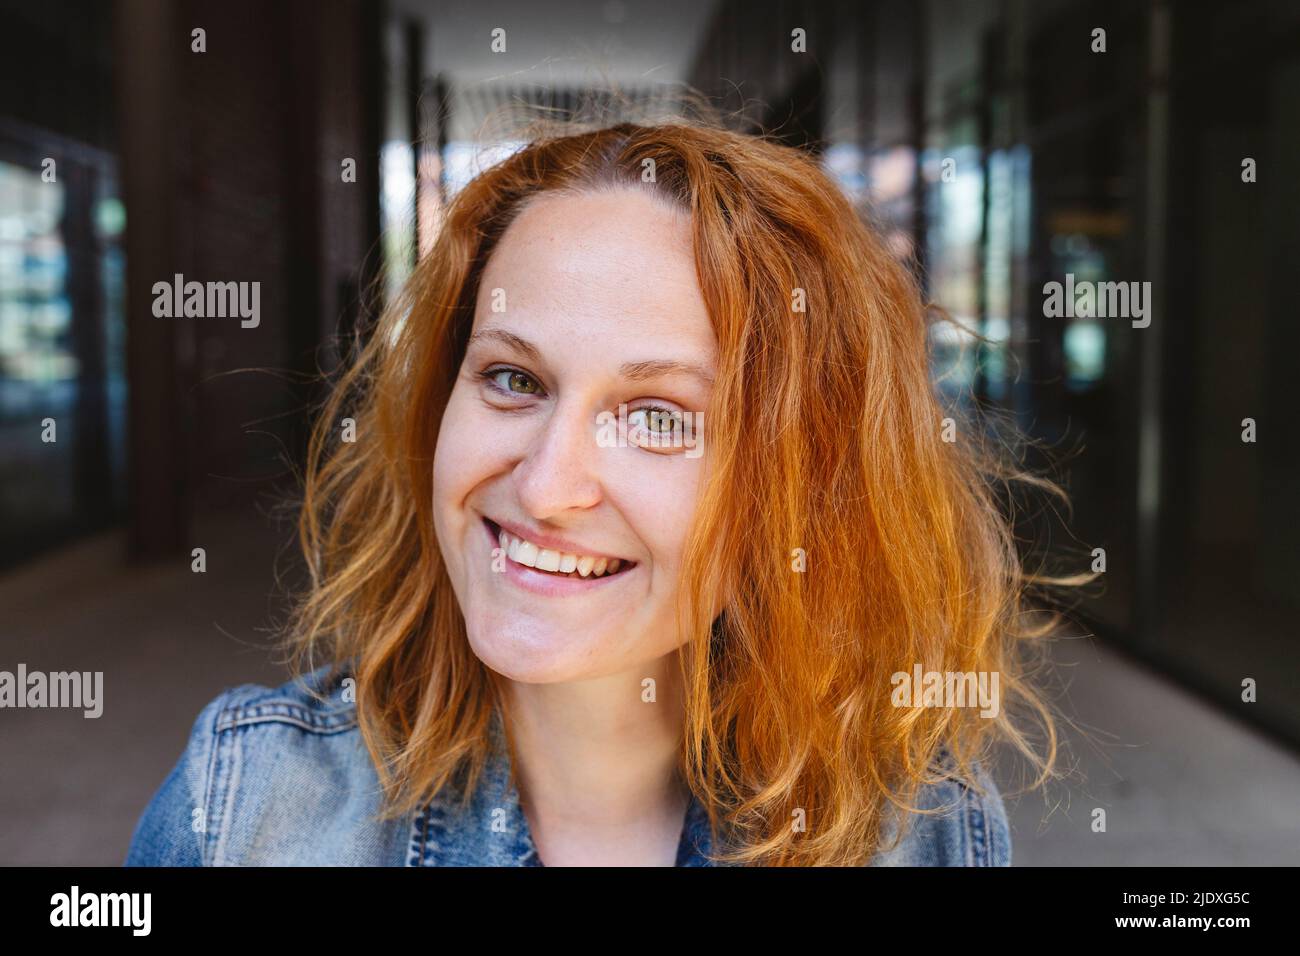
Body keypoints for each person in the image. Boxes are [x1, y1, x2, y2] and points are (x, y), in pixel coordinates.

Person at [126, 119, 1060, 867]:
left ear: (804, 487)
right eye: (514, 381)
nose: (547, 486)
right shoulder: (245, 809)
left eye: (658, 417)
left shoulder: (921, 829)